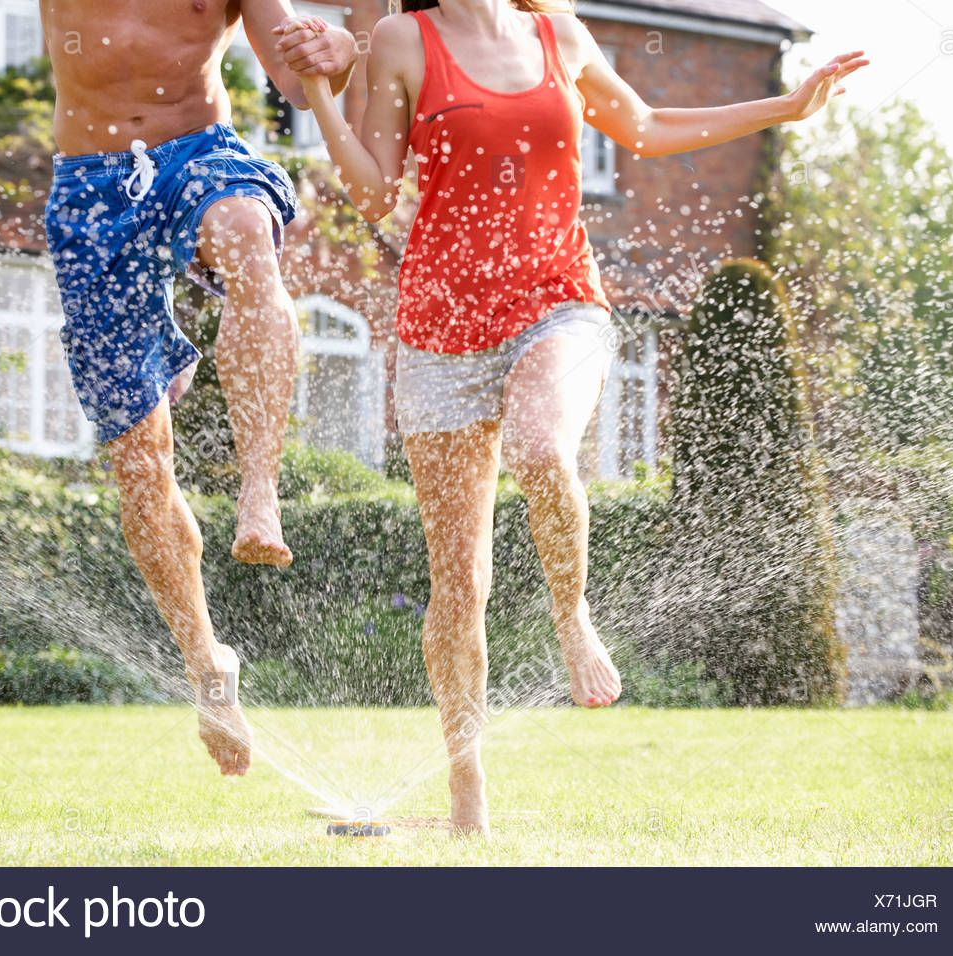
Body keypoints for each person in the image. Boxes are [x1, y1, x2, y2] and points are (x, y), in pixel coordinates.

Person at [278, 0, 865, 832]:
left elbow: (645, 127)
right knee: (458, 586)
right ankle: (467, 800)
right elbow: (374, 195)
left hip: (558, 303)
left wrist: (786, 106)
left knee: (541, 447)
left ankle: (572, 611)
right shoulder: (406, 41)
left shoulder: (560, 35)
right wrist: (318, 91)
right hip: (441, 330)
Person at [40, 1, 358, 775]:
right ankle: (207, 664)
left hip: (198, 154)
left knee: (247, 234)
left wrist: (341, 50)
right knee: (140, 463)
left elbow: (296, 76)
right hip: (91, 189)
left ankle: (260, 491)